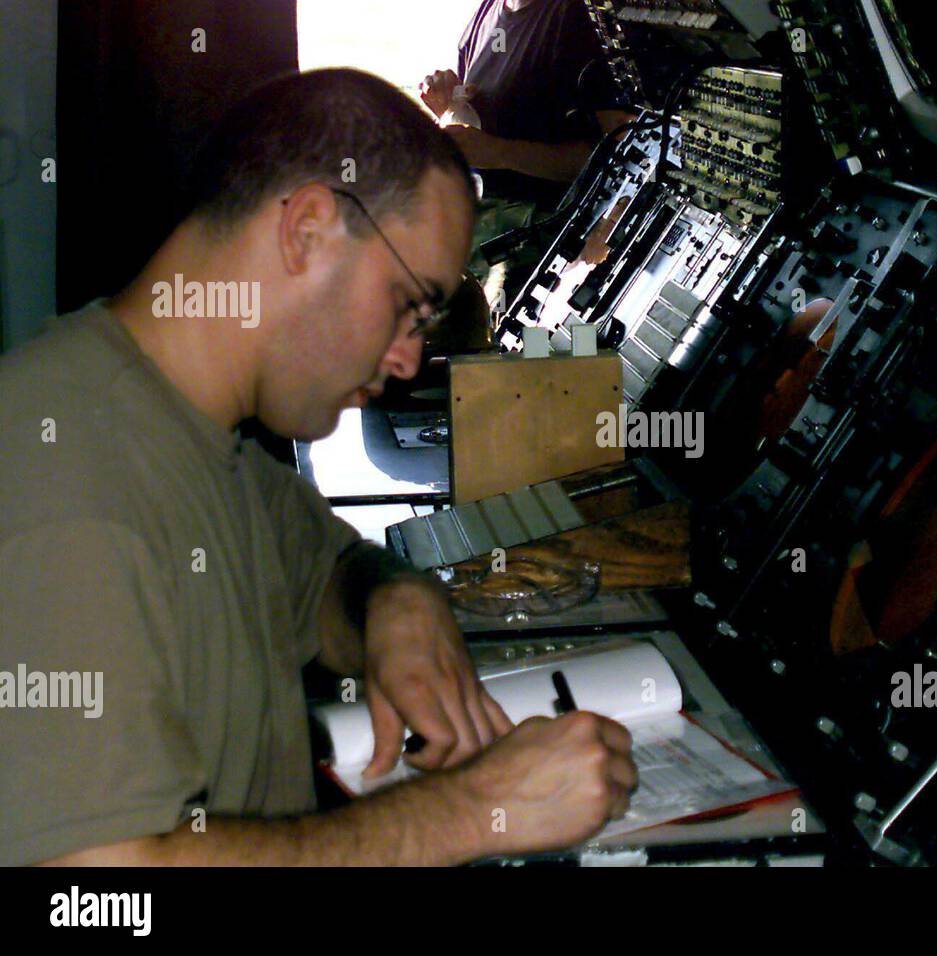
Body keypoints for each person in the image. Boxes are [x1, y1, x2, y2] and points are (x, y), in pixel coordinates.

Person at [0, 68, 636, 866]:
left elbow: (329, 568)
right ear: (306, 229)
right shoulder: (63, 481)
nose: (409, 358)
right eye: (409, 303)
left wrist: (392, 605)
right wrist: (475, 811)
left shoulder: (201, 433)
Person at [421, 0, 636, 314]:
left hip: (536, 261)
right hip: (479, 242)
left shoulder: (581, 19)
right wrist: (448, 109)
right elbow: (479, 129)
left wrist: (501, 152)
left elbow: (624, 156)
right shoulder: (487, 13)